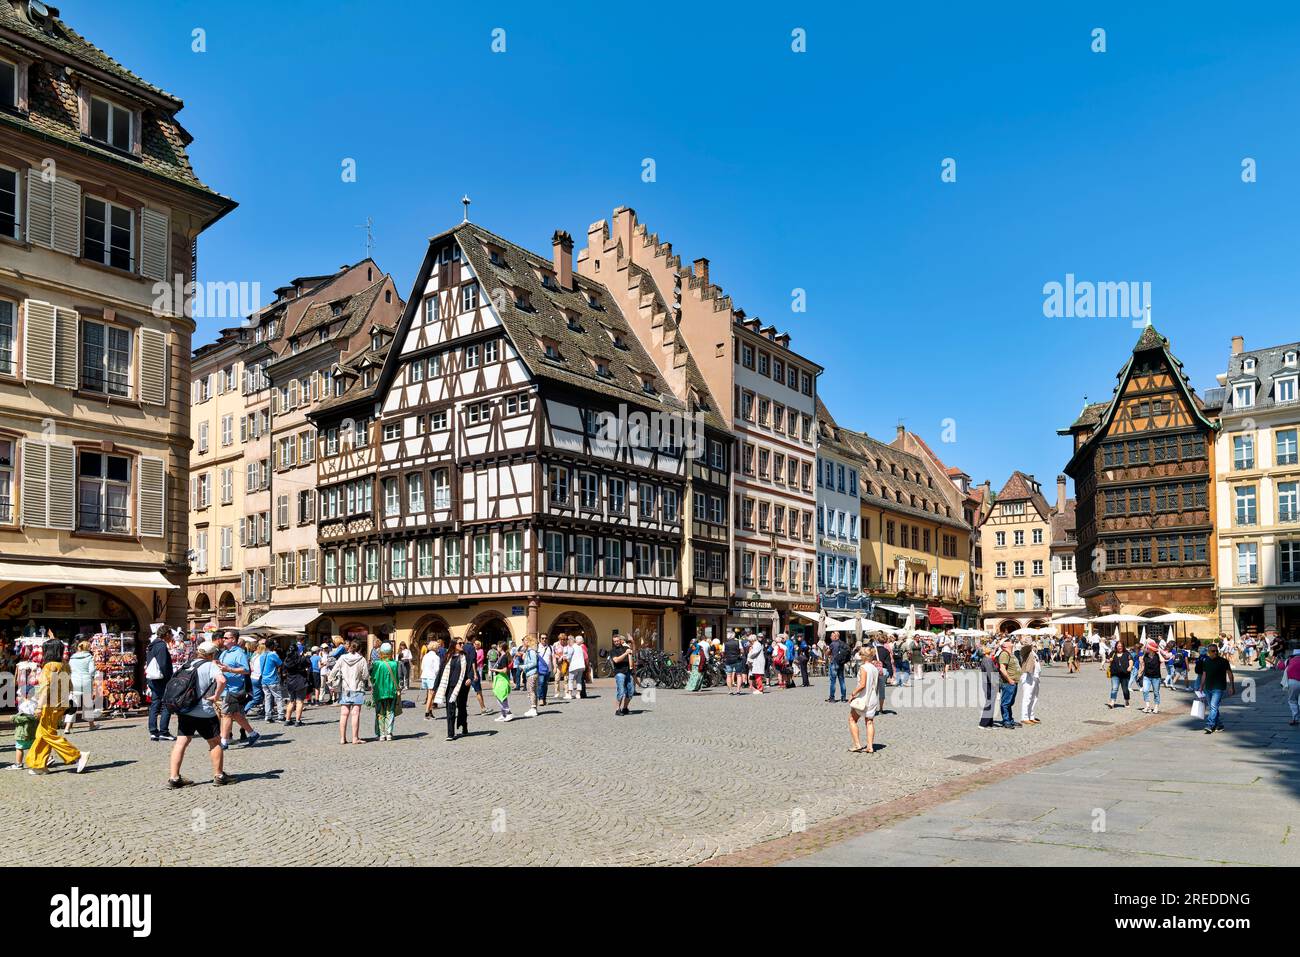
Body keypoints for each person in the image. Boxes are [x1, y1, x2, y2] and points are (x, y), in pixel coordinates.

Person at [165, 640, 230, 788]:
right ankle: (219, 775)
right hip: (204, 712)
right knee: (215, 743)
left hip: (186, 710)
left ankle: (174, 778)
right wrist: (216, 696)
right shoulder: (210, 666)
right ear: (212, 654)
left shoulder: (188, 664)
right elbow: (222, 680)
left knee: (181, 742)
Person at [25, 640, 89, 775]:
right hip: (61, 704)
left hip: (49, 705)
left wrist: (38, 707)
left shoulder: (49, 666)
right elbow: (70, 686)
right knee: (42, 734)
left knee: (46, 734)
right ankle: (38, 764)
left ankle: (76, 755)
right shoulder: (64, 665)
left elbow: (45, 687)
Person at [216, 631, 259, 751]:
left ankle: (223, 741)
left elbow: (246, 670)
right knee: (236, 714)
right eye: (223, 637)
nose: (223, 639)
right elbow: (222, 667)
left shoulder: (239, 653)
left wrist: (229, 669)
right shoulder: (224, 652)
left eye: (226, 637)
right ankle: (253, 734)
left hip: (234, 689)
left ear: (233, 640)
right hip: (226, 688)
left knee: (226, 714)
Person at [330, 639, 371, 744]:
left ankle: (342, 738)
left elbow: (333, 671)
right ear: (360, 648)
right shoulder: (362, 659)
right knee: (355, 714)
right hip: (357, 688)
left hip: (345, 689)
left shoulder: (342, 658)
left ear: (350, 647)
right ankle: (355, 738)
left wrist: (331, 682)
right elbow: (366, 676)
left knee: (344, 714)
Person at [434, 637, 476, 740]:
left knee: (462, 708)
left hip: (462, 686)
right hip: (450, 686)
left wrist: (470, 678)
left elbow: (470, 668)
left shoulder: (465, 656)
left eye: (462, 643)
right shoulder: (447, 656)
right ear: (454, 645)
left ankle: (464, 725)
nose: (462, 645)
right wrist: (435, 687)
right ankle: (450, 733)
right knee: (450, 709)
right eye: (460, 643)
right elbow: (441, 672)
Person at [847, 646, 881, 753]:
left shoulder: (863, 668)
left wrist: (853, 694)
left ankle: (857, 744)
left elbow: (862, 685)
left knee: (852, 719)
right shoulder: (874, 668)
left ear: (864, 657)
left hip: (863, 698)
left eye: (860, 654)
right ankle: (870, 746)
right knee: (869, 722)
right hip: (873, 698)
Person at [145, 625, 175, 742]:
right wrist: (169, 679)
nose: (172, 637)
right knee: (166, 705)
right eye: (171, 634)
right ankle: (164, 731)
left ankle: (153, 731)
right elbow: (163, 665)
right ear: (166, 634)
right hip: (161, 680)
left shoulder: (152, 645)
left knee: (155, 704)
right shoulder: (161, 646)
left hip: (152, 679)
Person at [1197, 644, 1234, 734]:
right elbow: (1204, 674)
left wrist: (1232, 686)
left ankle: (1210, 725)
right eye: (1213, 651)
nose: (1216, 652)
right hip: (1208, 687)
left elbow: (1230, 673)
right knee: (1213, 708)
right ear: (1209, 652)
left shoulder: (1224, 661)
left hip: (1219, 688)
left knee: (1213, 706)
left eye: (1216, 650)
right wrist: (1201, 686)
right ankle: (1220, 725)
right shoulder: (1206, 661)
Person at [64, 640, 98, 733]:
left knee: (73, 704)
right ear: (88, 648)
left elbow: (70, 670)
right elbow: (91, 671)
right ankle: (91, 725)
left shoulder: (72, 658)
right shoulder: (89, 657)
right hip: (86, 681)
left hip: (75, 681)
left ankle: (67, 727)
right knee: (87, 704)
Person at [371, 643, 402, 741]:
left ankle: (381, 734)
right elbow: (397, 678)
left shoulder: (377, 664)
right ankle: (389, 733)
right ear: (390, 653)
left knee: (380, 712)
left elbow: (373, 678)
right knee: (390, 711)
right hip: (391, 691)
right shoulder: (395, 664)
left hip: (380, 692)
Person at [281, 643, 314, 727]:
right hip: (300, 682)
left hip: (290, 682)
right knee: (299, 702)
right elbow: (309, 664)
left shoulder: (286, 660)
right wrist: (305, 656)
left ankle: (288, 720)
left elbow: (284, 673)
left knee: (291, 701)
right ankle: (298, 721)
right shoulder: (301, 659)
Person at [995, 638, 1022, 729]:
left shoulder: (1011, 654)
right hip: (1008, 683)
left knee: (1010, 702)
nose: (1011, 641)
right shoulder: (1004, 654)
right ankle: (1006, 721)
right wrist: (1009, 680)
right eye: (1008, 641)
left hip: (1013, 682)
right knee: (1005, 703)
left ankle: (1010, 719)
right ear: (1004, 645)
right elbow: (1002, 669)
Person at [1139, 640, 1168, 714]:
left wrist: (1158, 653)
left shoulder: (1157, 656)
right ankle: (1147, 706)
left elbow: (1162, 660)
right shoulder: (1145, 655)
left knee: (1156, 692)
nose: (1147, 649)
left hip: (1156, 677)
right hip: (1147, 676)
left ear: (1152, 649)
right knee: (1145, 690)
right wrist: (1140, 672)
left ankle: (1156, 707)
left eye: (1148, 648)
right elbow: (1142, 662)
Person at [260, 639, 284, 723]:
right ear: (272, 646)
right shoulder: (273, 654)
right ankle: (280, 715)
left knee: (267, 698)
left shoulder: (262, 655)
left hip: (264, 680)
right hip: (273, 679)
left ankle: (268, 716)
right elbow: (280, 663)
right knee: (278, 697)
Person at [610, 635, 635, 715]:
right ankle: (617, 710)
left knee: (630, 691)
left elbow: (632, 653)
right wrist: (625, 654)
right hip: (619, 673)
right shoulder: (612, 651)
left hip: (628, 672)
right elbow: (616, 660)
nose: (616, 642)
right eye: (615, 641)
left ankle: (625, 708)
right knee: (621, 691)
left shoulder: (626, 648)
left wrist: (633, 641)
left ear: (620, 640)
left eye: (617, 641)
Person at [490, 640, 514, 722]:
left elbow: (504, 670)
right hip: (499, 678)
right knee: (498, 695)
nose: (497, 647)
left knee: (502, 696)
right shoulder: (501, 656)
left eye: (497, 646)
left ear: (501, 647)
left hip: (502, 678)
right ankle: (503, 714)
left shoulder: (504, 657)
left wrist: (494, 669)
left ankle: (508, 713)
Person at [244, 637, 266, 719]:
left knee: (261, 696)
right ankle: (244, 710)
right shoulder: (261, 657)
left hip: (253, 677)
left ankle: (265, 710)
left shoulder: (254, 656)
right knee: (257, 697)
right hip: (258, 677)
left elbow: (251, 667)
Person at [421, 639, 444, 718]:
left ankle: (430, 711)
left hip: (425, 676)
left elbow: (422, 667)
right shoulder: (436, 657)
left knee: (430, 694)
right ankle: (427, 713)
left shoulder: (425, 656)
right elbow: (437, 669)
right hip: (432, 677)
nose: (438, 649)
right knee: (431, 695)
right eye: (438, 647)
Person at [1106, 639, 1131, 708]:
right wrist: (1109, 660)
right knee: (1114, 688)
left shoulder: (1127, 653)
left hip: (1125, 674)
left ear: (1123, 646)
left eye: (1121, 646)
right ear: (1116, 646)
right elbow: (1107, 659)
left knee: (1125, 689)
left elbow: (1131, 660)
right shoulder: (1112, 653)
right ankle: (1112, 702)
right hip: (1115, 673)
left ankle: (1126, 700)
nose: (1119, 647)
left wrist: (1130, 667)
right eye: (1118, 646)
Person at [1280, 649, 1300, 726]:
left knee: (1292, 700)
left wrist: (1282, 660)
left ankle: (1295, 719)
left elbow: (1280, 666)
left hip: (1293, 682)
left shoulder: (1289, 660)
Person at [826, 633, 847, 702]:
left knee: (833, 681)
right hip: (841, 664)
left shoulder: (832, 644)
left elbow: (827, 653)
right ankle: (843, 698)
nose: (830, 637)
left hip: (834, 663)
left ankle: (832, 698)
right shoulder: (843, 643)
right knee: (842, 681)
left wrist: (826, 650)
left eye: (831, 636)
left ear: (835, 637)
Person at [723, 631, 745, 695]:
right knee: (738, 675)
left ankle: (730, 691)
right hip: (737, 660)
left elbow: (723, 652)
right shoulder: (738, 642)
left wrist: (726, 656)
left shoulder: (725, 643)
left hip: (728, 660)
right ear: (733, 636)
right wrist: (740, 654)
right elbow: (742, 650)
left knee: (729, 675)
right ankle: (738, 690)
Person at [535, 636, 554, 708]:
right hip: (539, 669)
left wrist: (554, 667)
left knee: (545, 684)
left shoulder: (550, 648)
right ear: (540, 639)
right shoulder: (537, 647)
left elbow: (553, 658)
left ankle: (544, 698)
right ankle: (540, 699)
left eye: (546, 638)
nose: (544, 640)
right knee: (541, 683)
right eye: (542, 638)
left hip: (548, 669)